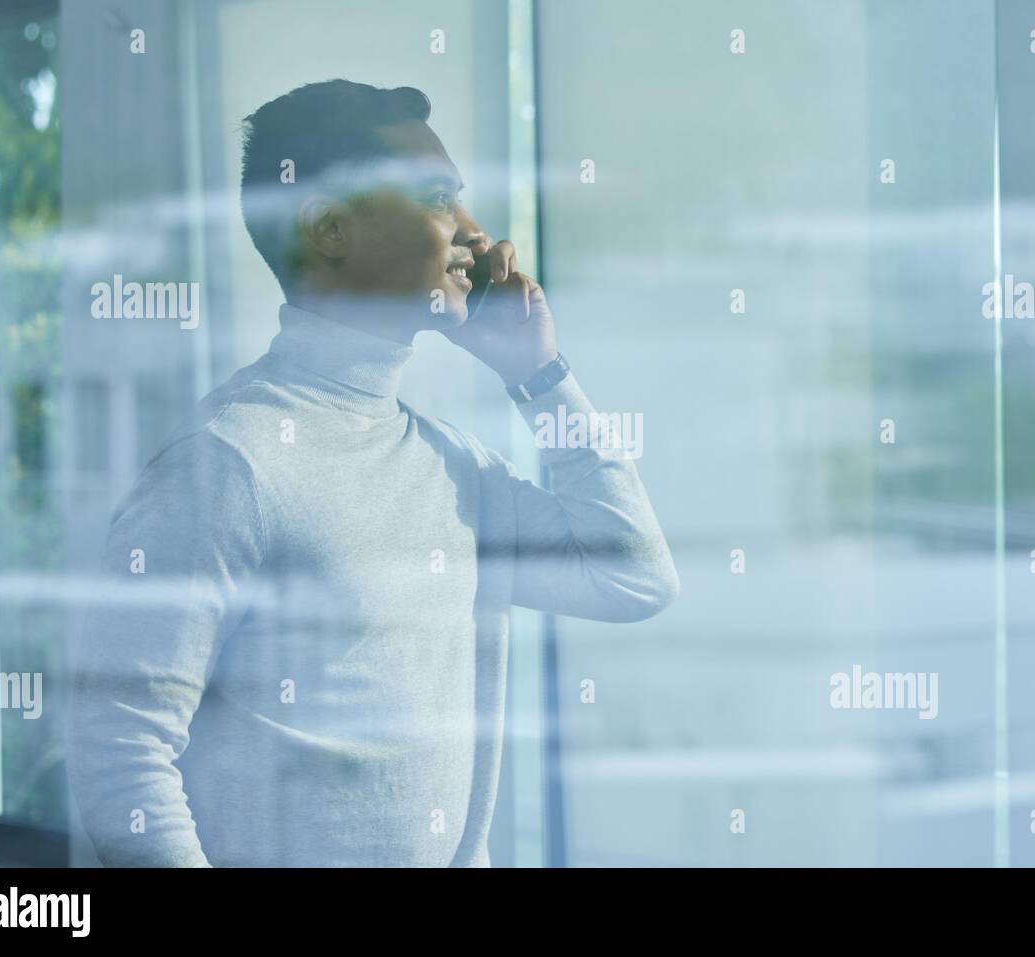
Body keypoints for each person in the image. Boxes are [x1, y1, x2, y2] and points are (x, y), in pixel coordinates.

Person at [65, 79, 678, 867]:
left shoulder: (451, 467)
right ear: (329, 227)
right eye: (436, 199)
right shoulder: (228, 461)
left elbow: (635, 577)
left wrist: (537, 375)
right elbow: (119, 749)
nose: (474, 233)